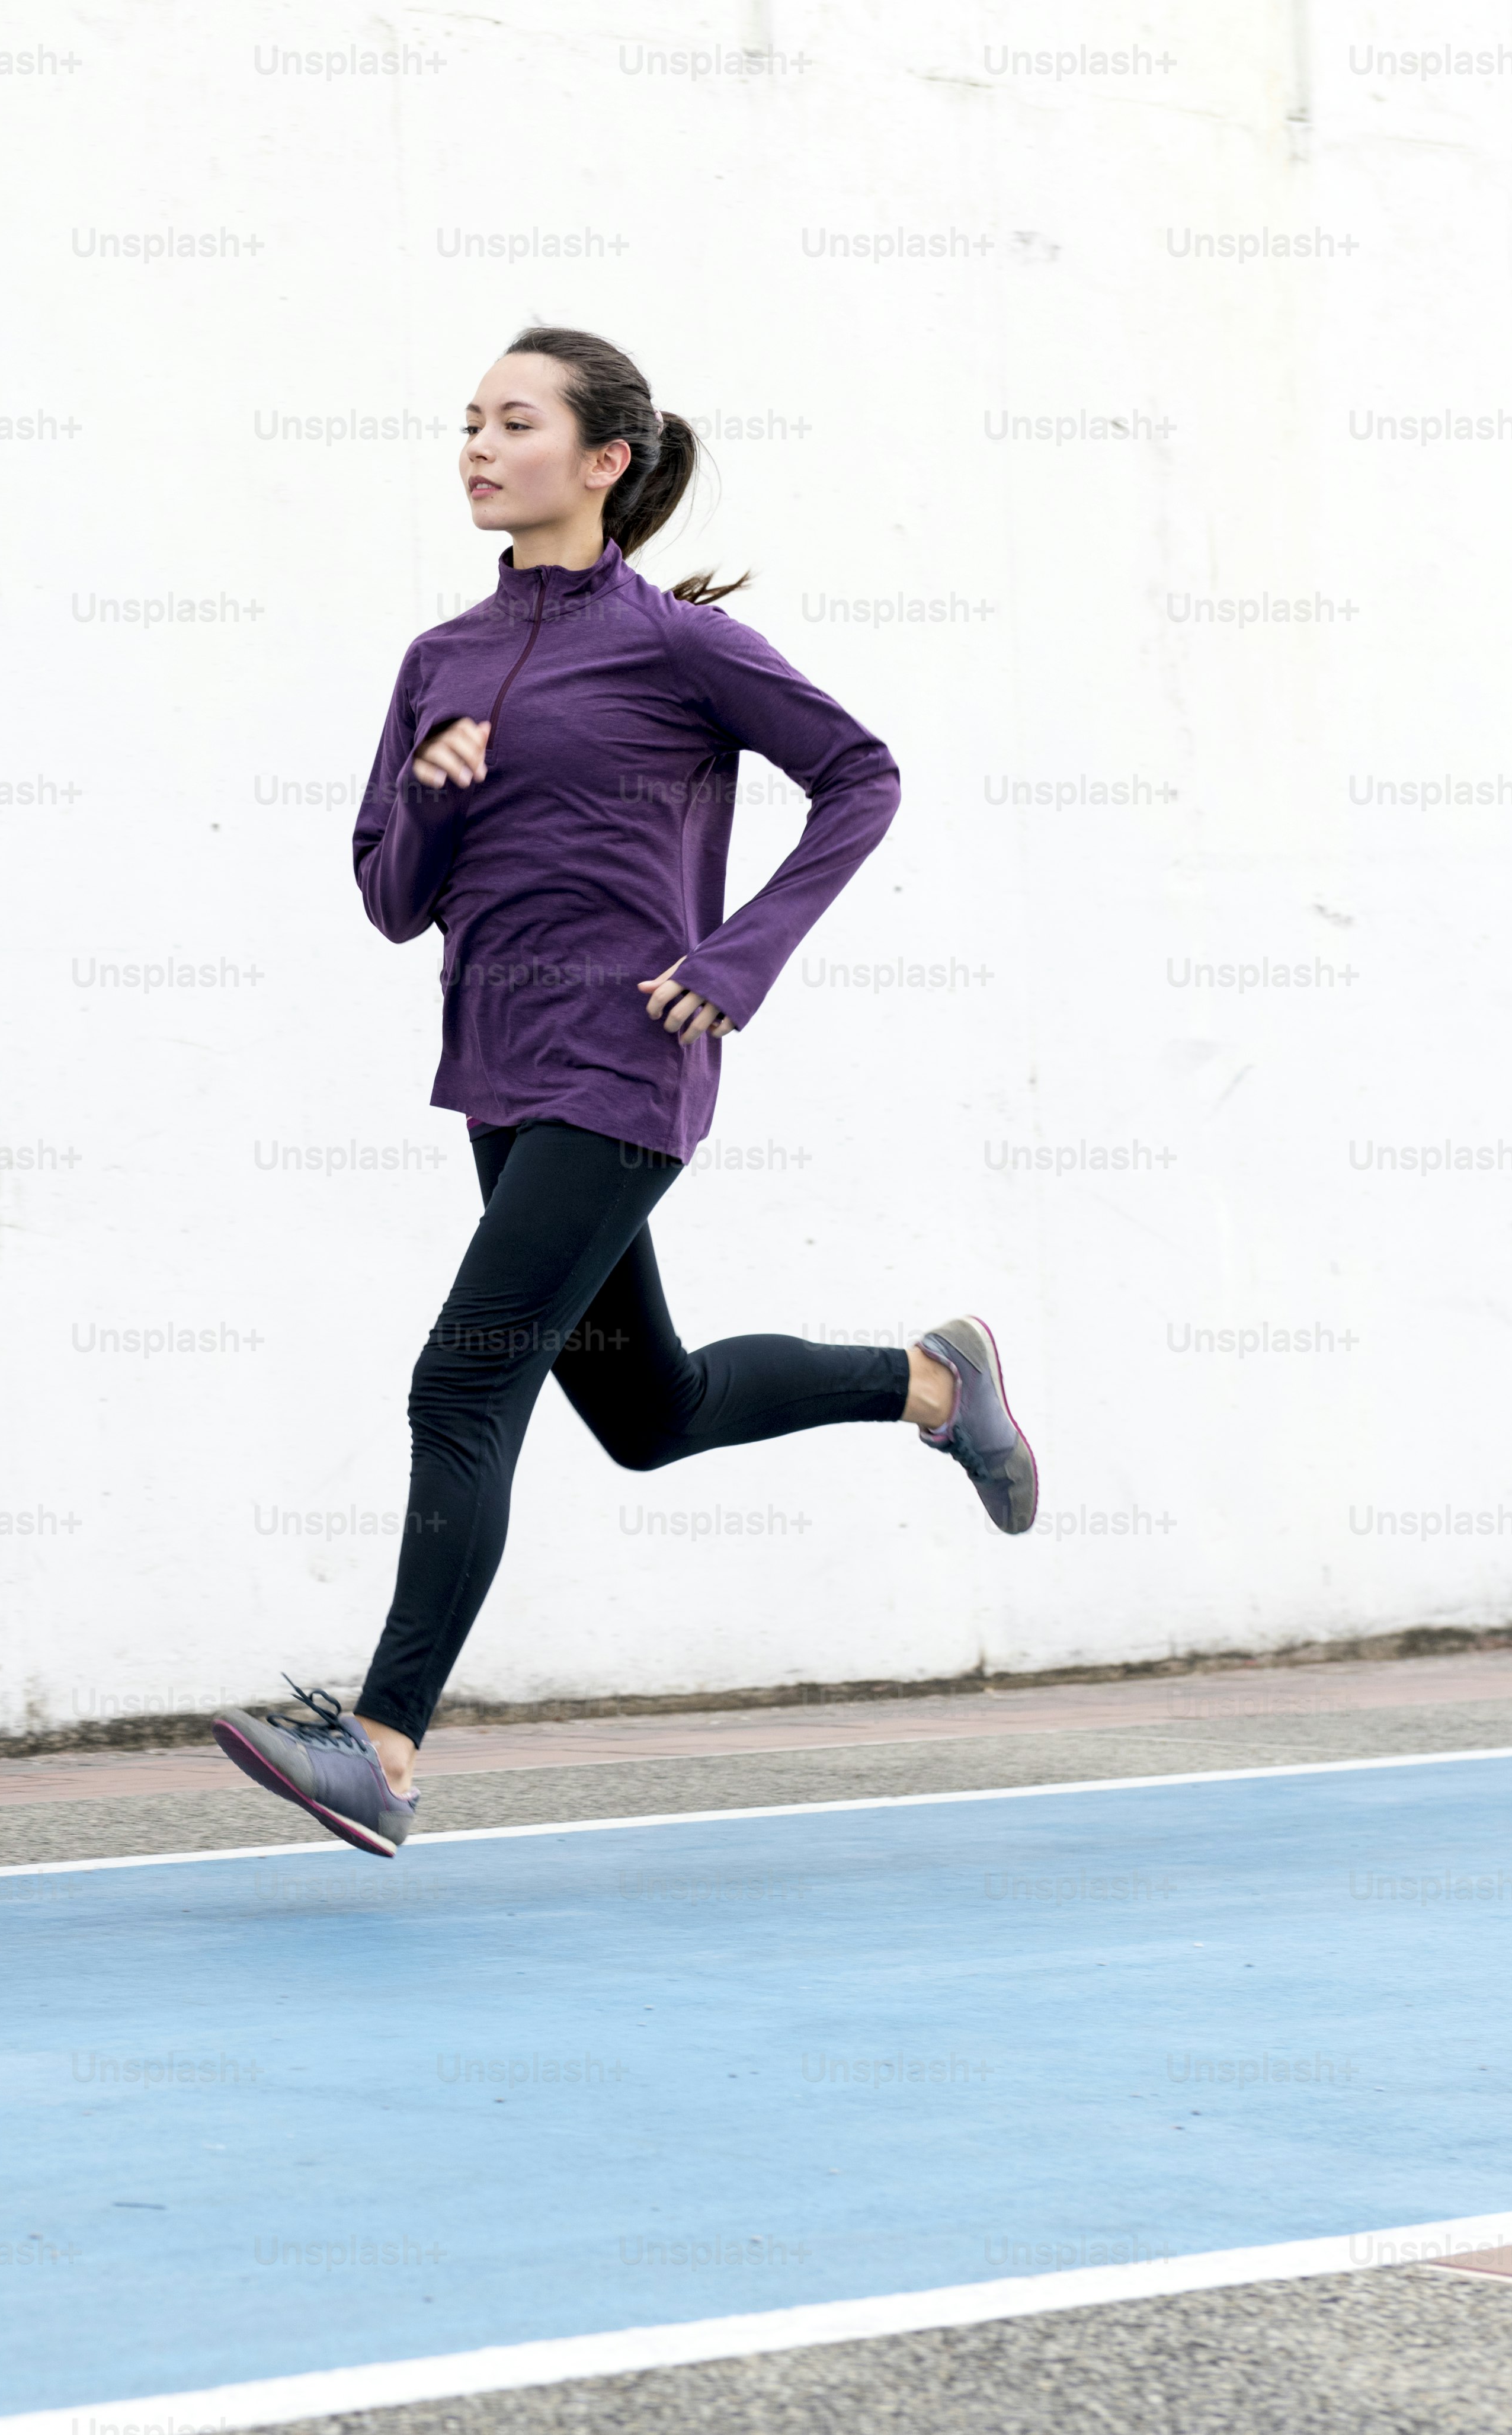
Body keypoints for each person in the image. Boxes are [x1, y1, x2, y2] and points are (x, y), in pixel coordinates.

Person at [211, 328, 1036, 1859]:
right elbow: (393, 899)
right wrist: (439, 799)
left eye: (512, 422)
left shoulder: (676, 646)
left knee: (462, 1384)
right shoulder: (438, 664)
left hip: (627, 1061)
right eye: (466, 420)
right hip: (500, 1077)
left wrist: (739, 961)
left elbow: (862, 777)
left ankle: (383, 1748)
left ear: (603, 463)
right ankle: (937, 1381)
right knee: (647, 1410)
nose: (476, 445)